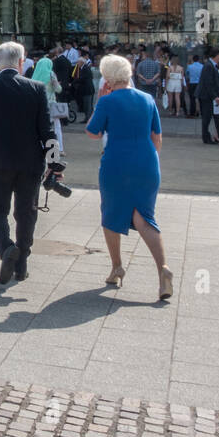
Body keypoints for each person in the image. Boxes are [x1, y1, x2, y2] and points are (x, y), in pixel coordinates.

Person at [0, 42, 57, 285]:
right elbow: (47, 130)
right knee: (26, 212)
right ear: (21, 62)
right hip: (30, 162)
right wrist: (54, 161)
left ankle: (7, 250)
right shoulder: (37, 88)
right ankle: (22, 262)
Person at [85, 54, 171, 300]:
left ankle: (117, 267)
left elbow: (92, 133)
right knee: (145, 217)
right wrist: (150, 159)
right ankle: (163, 270)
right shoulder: (147, 99)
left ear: (108, 79)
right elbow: (157, 137)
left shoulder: (107, 101)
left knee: (111, 213)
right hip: (146, 163)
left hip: (116, 164)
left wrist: (99, 103)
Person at [197, 46, 219, 144]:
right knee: (207, 118)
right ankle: (206, 137)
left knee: (218, 117)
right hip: (207, 97)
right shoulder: (209, 66)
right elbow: (208, 83)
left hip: (213, 96)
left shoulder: (212, 65)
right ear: (216, 56)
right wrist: (215, 96)